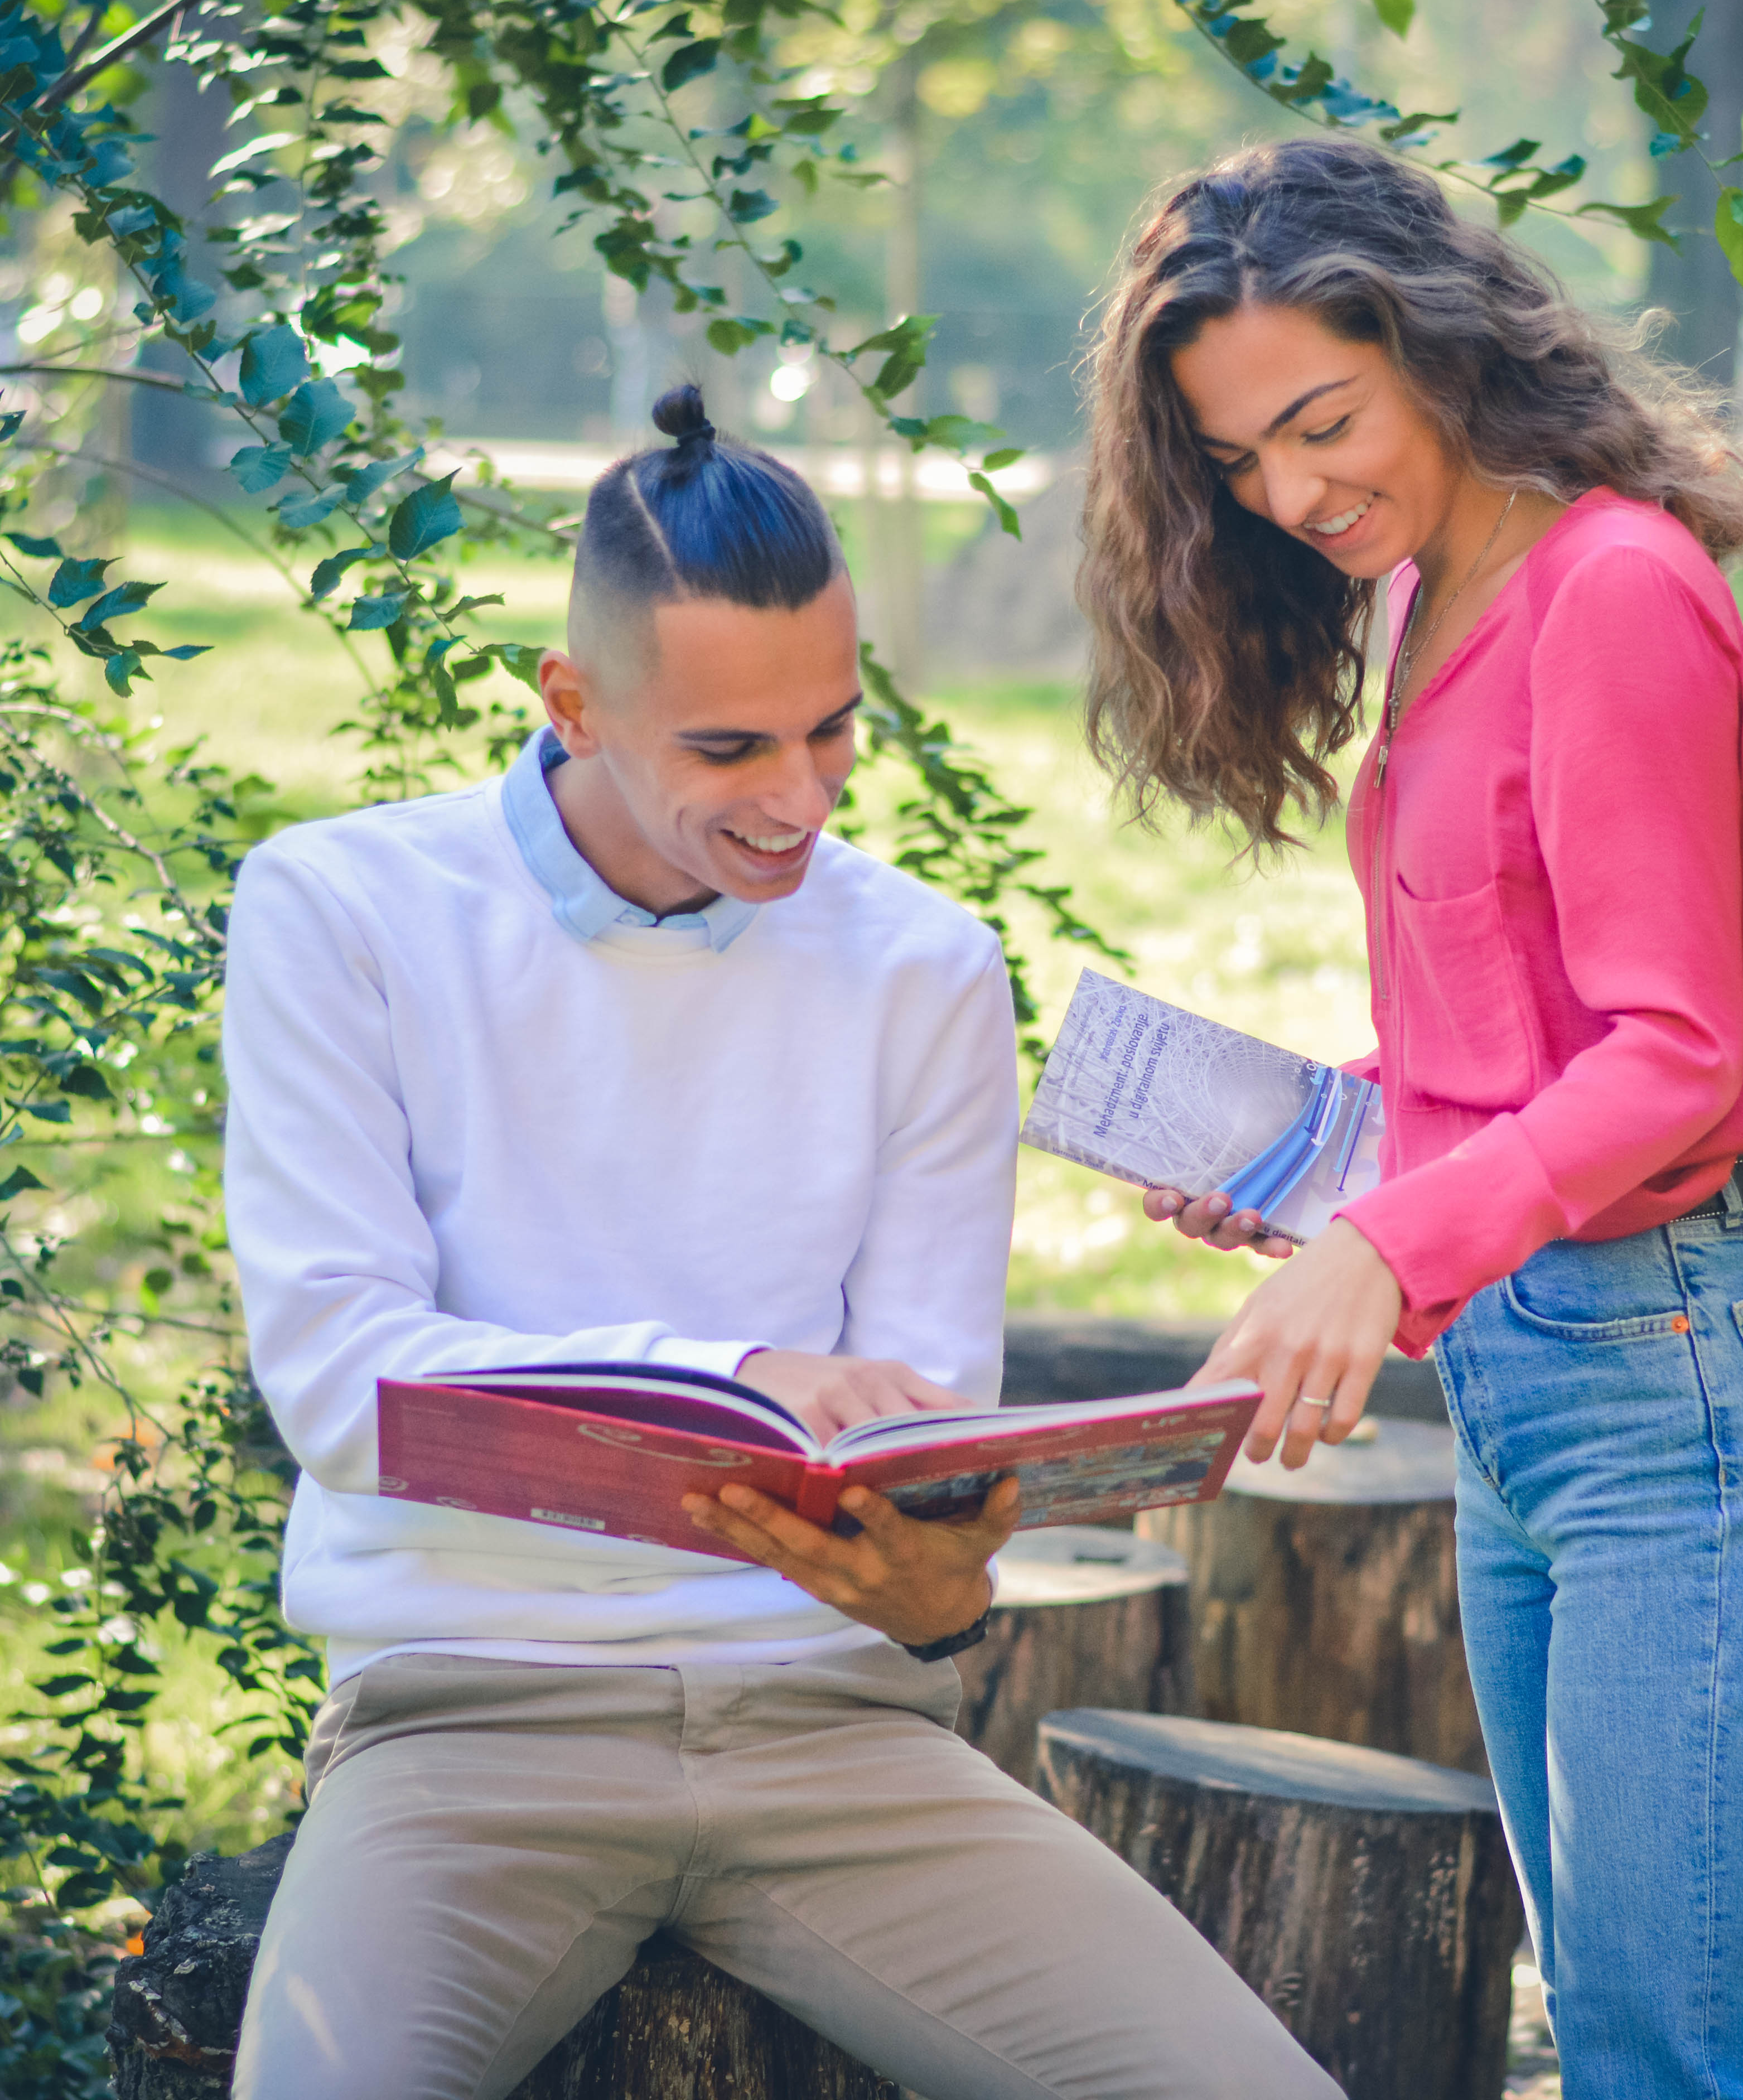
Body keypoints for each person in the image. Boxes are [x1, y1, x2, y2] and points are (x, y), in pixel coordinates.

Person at [221, 385, 1339, 2100]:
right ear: (574, 705)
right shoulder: (341, 911)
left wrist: (940, 1570)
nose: (800, 801)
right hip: (467, 1725)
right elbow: (337, 1379)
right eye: (730, 752)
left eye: (831, 732)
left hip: (835, 1733)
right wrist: (733, 1378)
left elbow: (921, 1426)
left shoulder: (927, 969)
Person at [1078, 137, 1743, 2099]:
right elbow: (1529, 1051)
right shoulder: (1433, 592)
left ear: (1431, 340)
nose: (1290, 491)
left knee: (1665, 2064)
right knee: (1600, 2036)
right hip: (1533, 1390)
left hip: (1680, 1401)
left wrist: (1389, 1243)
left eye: (1321, 420)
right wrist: (1322, 1156)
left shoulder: (1612, 592)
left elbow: (1679, 1051)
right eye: (1239, 459)